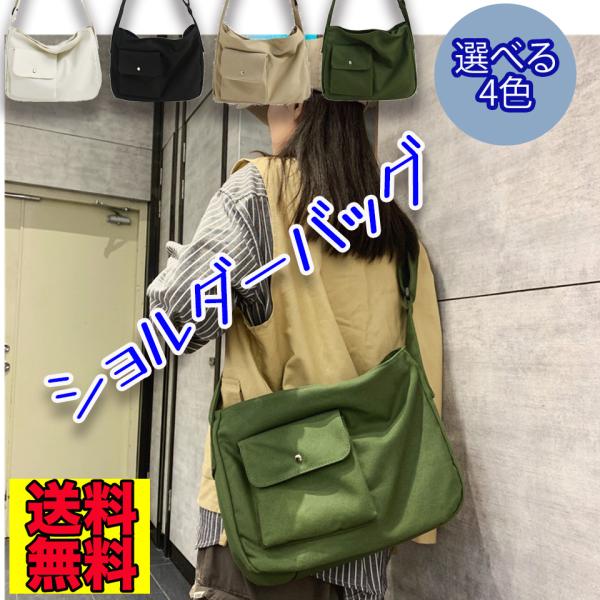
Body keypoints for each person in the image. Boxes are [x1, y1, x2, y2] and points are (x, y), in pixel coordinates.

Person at [147, 92, 444, 600]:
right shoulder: (399, 234)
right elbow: (424, 374)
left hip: (261, 509)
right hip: (366, 515)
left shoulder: (257, 190)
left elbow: (176, 321)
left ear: (299, 103)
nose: (269, 118)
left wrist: (187, 264)